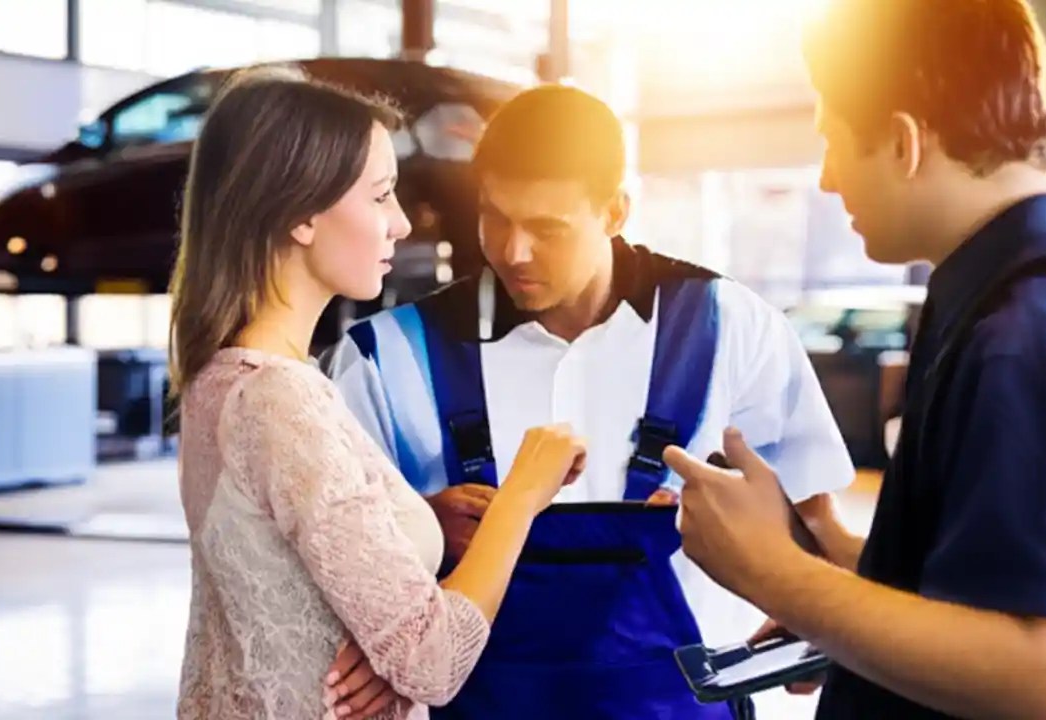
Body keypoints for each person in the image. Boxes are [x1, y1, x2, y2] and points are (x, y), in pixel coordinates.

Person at [663, 1, 1046, 718]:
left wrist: (776, 574)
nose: (828, 179)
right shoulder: (1005, 305)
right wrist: (837, 564)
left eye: (833, 142)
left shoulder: (1041, 328)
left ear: (903, 143)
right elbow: (989, 592)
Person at [322, 84, 855, 719]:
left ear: (614, 212)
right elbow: (333, 565)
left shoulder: (732, 327)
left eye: (547, 228)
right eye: (495, 216)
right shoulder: (386, 356)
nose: (513, 251)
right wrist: (422, 528)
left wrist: (817, 619)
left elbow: (814, 515)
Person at [168, 66, 588, 720]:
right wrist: (522, 498)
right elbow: (432, 660)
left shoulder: (227, 378)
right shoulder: (280, 398)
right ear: (302, 214)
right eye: (381, 196)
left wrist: (409, 522)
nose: (400, 223)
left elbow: (283, 558)